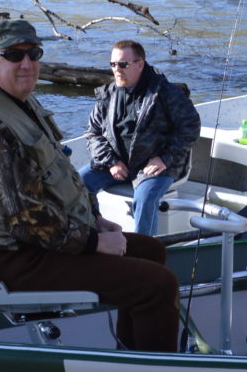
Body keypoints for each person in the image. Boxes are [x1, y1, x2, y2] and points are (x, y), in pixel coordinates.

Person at [0, 20, 180, 353]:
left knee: (150, 251)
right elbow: (22, 216)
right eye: (13, 55)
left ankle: (134, 355)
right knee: (157, 285)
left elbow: (59, 173)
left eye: (33, 54)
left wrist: (95, 218)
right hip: (15, 258)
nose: (26, 64)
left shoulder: (15, 101)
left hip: (37, 245)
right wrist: (92, 242)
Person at [78, 39, 200, 236]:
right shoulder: (108, 94)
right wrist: (111, 161)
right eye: (113, 64)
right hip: (116, 164)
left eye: (123, 64)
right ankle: (93, 237)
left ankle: (145, 254)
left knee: (144, 198)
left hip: (156, 166)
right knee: (77, 184)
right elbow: (93, 133)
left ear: (140, 64)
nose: (117, 69)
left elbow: (191, 128)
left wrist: (165, 158)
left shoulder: (165, 93)